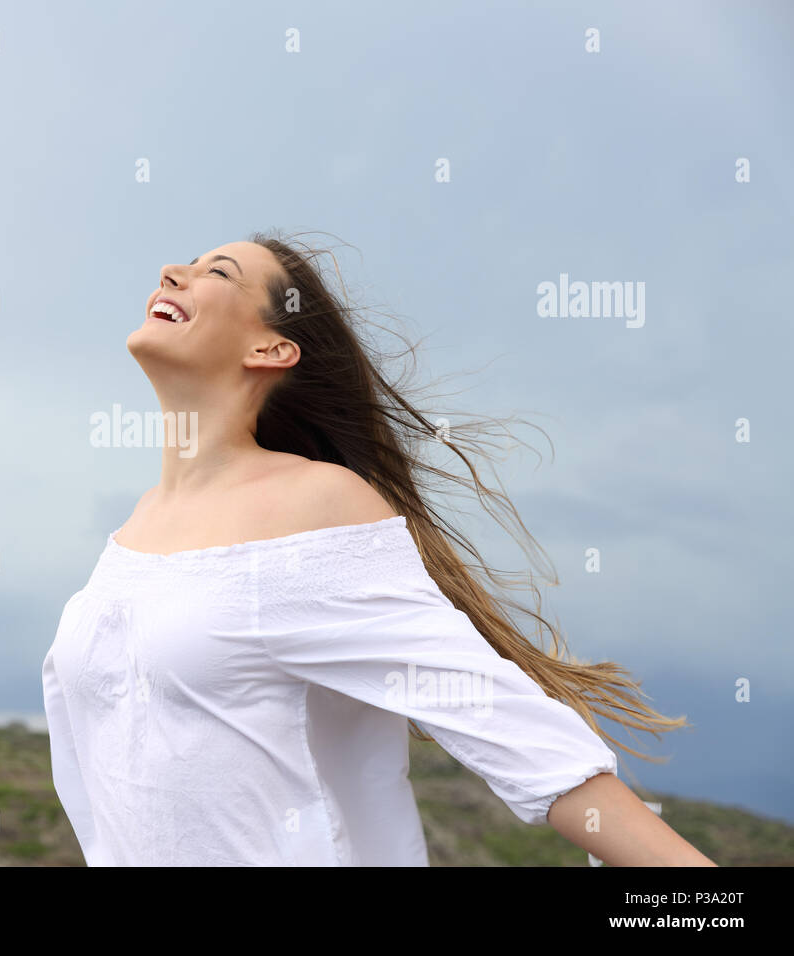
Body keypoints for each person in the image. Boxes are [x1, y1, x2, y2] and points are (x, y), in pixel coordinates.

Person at [42, 231, 716, 866]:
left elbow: (503, 721)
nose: (172, 271)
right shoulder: (134, 531)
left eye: (218, 272)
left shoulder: (316, 505)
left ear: (272, 350)